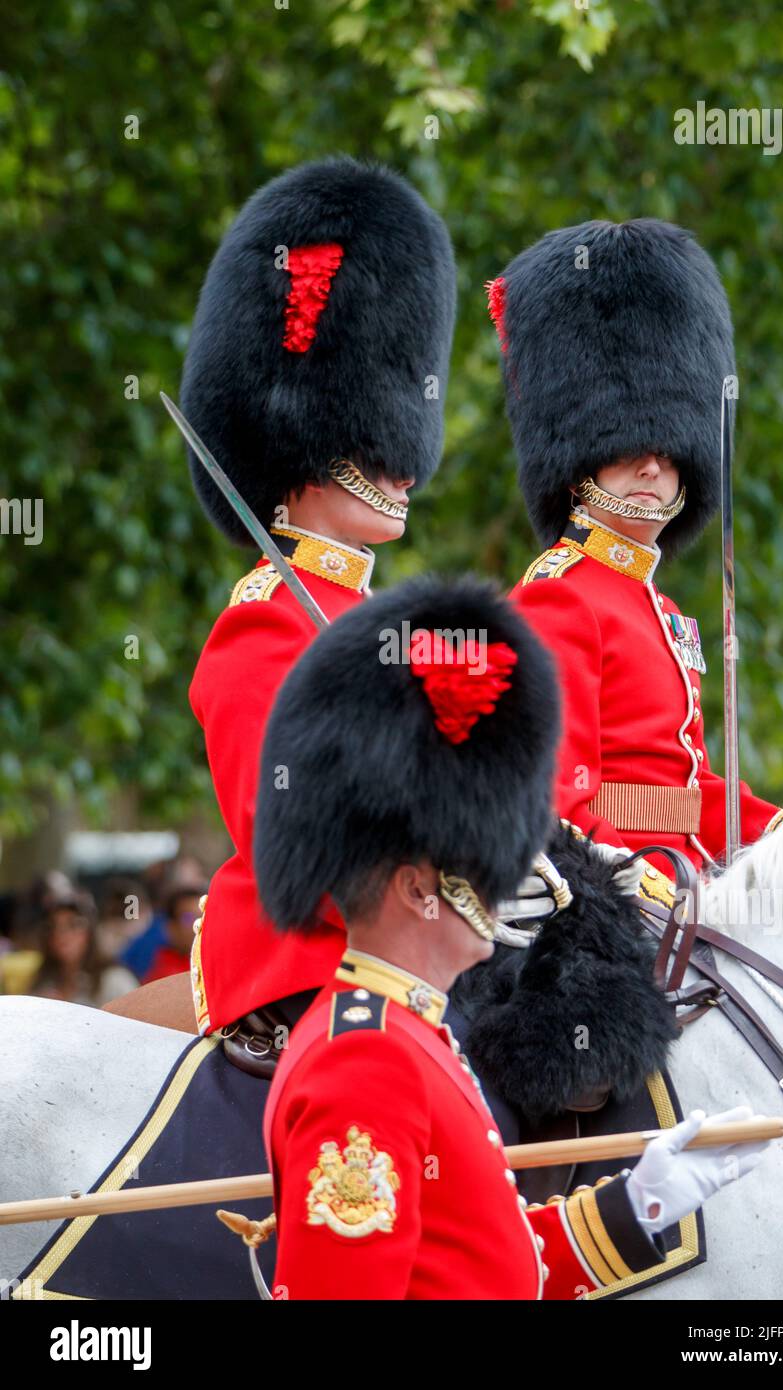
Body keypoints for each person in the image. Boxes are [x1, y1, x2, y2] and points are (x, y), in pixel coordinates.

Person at [255, 574, 770, 1299]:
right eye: (482, 863)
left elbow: (492, 1266)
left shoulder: (412, 1037)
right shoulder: (364, 1064)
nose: (513, 881)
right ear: (416, 889)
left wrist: (642, 1202)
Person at [113, 158, 456, 1035]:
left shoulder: (379, 622)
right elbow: (287, 830)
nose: (406, 468)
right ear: (311, 451)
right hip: (305, 969)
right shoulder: (267, 617)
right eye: (379, 445)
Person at [488, 219, 783, 883]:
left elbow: (698, 795)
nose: (653, 468)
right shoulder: (557, 597)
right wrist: (645, 882)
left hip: (685, 893)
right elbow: (552, 800)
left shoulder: (664, 611)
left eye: (669, 452)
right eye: (629, 450)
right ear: (579, 465)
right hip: (605, 902)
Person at [28, 888, 137, 1007]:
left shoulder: (115, 981)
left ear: (91, 931)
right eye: (53, 926)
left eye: (74, 924)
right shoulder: (44, 981)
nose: (62, 934)